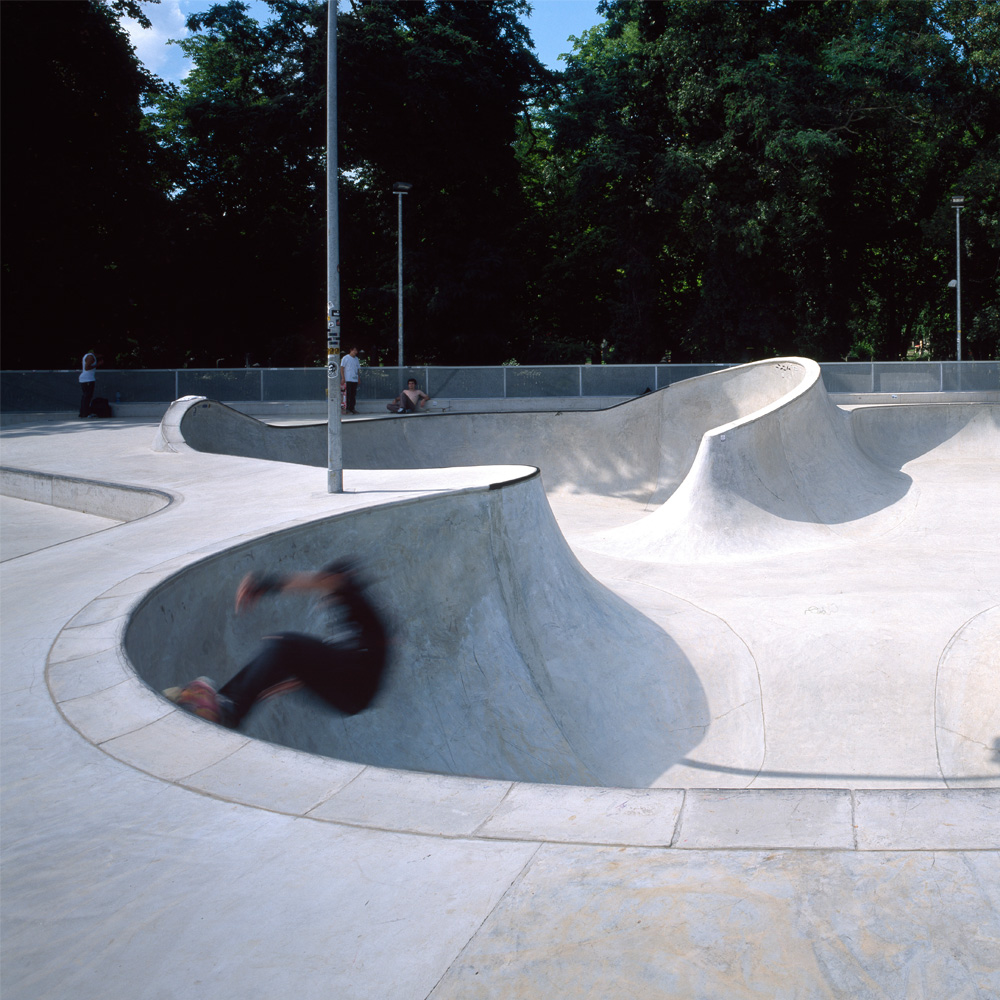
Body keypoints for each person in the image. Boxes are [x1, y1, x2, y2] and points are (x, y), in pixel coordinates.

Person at [167, 562, 388, 729]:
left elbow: (320, 581)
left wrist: (264, 584)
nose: (326, 600)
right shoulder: (362, 628)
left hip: (354, 680)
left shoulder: (352, 593)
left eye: (328, 597)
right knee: (283, 661)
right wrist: (285, 678)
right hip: (352, 700)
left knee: (283, 645)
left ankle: (227, 707)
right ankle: (222, 710)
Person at [78, 349, 98, 418]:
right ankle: (85, 413)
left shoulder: (86, 355)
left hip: (85, 379)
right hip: (88, 379)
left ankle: (83, 412)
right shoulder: (90, 356)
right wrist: (97, 365)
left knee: (86, 396)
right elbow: (87, 367)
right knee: (87, 396)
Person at [341, 346, 360, 414]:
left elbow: (357, 369)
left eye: (356, 351)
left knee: (353, 395)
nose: (355, 352)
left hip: (354, 379)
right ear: (351, 350)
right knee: (347, 394)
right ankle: (347, 408)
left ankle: (352, 408)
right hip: (348, 379)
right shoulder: (345, 358)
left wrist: (358, 378)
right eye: (354, 350)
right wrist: (343, 377)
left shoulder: (356, 359)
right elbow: (342, 368)